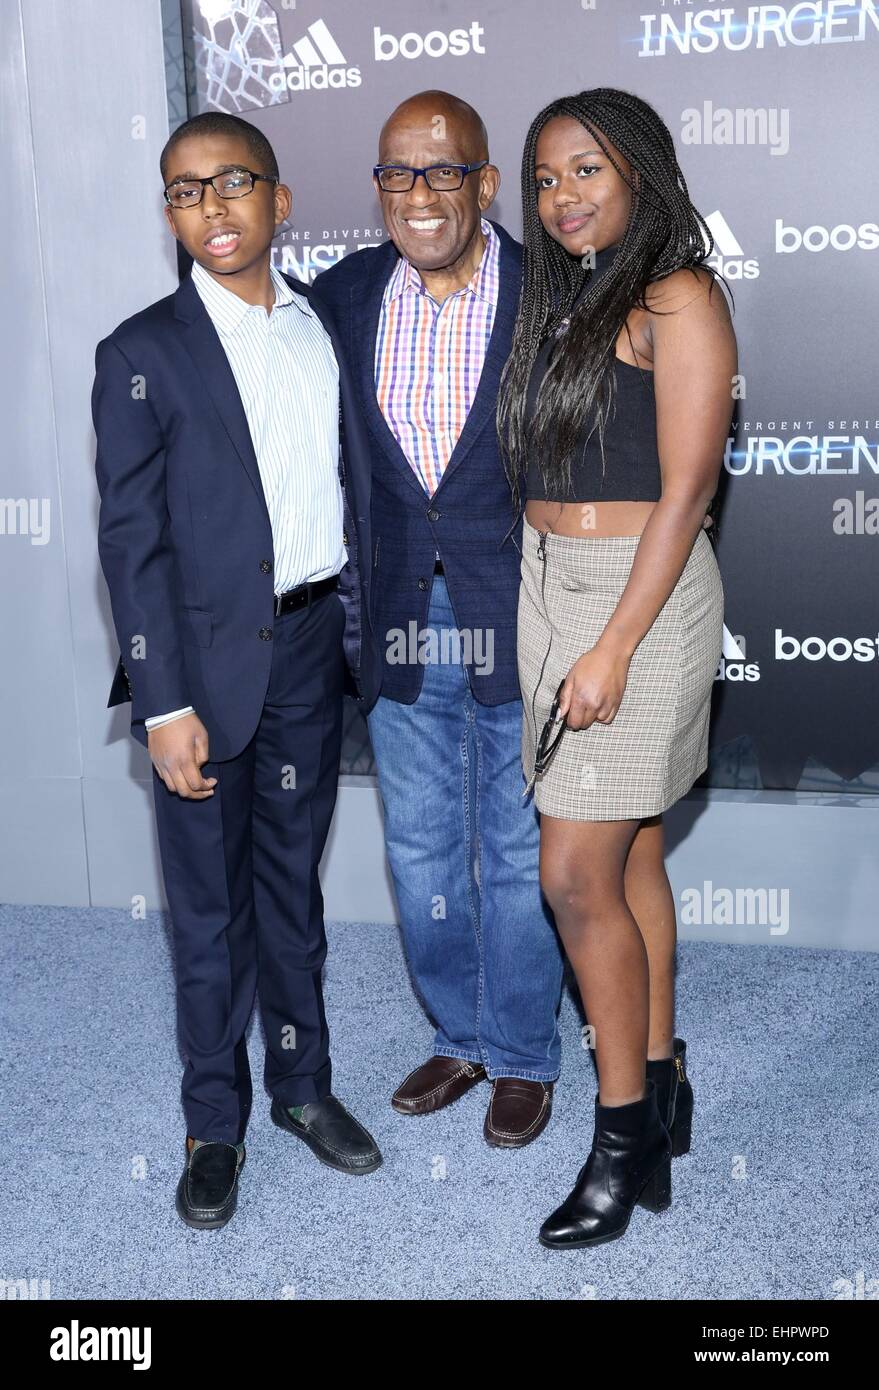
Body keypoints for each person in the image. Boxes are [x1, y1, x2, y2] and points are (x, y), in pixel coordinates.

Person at [92, 112, 383, 1230]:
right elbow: (133, 543)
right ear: (169, 213)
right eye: (183, 191)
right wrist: (161, 701)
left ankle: (304, 1088)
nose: (209, 208)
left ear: (280, 199)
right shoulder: (141, 353)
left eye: (231, 184)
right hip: (201, 676)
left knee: (291, 893)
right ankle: (215, 1123)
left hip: (312, 650)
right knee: (208, 914)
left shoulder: (325, 327)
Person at [497, 88, 736, 1247]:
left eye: (586, 170)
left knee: (573, 878)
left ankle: (622, 1137)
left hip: (632, 600)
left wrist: (613, 642)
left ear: (640, 169)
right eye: (546, 179)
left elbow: (687, 492)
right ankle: (663, 1080)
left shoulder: (674, 293)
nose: (563, 197)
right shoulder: (572, 295)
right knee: (632, 850)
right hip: (551, 582)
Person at [310, 91, 566, 1148]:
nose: (418, 194)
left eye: (442, 171)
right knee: (420, 850)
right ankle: (458, 1034)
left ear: (486, 183)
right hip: (400, 612)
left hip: (528, 609)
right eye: (396, 174)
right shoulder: (343, 297)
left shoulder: (553, 297)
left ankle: (522, 1054)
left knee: (516, 847)